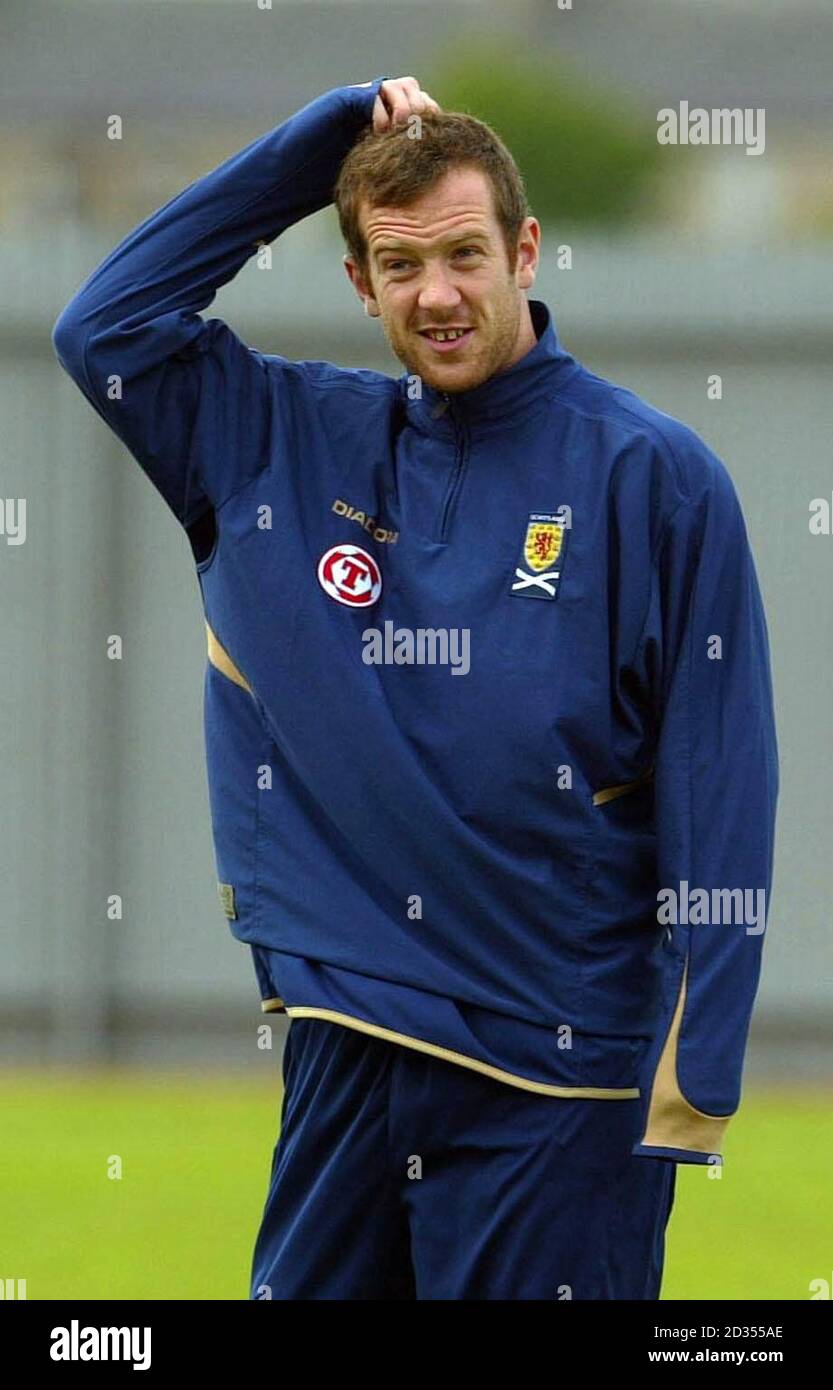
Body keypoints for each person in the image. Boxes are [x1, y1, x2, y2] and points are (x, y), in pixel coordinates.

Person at [52, 74, 779, 1301]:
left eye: (461, 254)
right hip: (347, 1048)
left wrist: (695, 1063)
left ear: (523, 249)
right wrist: (312, 148)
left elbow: (719, 769)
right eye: (398, 265)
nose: (435, 294)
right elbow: (105, 330)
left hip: (558, 1078)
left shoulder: (652, 474)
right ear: (357, 282)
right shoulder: (274, 439)